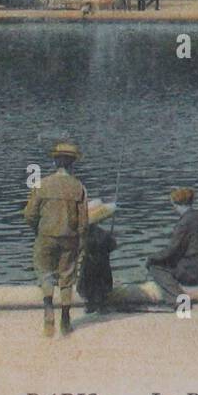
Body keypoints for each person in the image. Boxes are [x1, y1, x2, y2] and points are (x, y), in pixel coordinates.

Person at [23, 142, 89, 337]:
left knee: (45, 273)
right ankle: (66, 318)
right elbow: (84, 221)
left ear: (54, 162)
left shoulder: (41, 184)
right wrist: (81, 241)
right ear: (72, 164)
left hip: (46, 236)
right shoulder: (79, 187)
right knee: (67, 277)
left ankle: (48, 313)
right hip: (69, 238)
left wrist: (38, 230)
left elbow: (30, 214)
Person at [146, 188, 198, 307]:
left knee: (156, 267)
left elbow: (172, 250)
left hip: (196, 272)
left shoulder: (184, 223)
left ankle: (179, 300)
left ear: (176, 204)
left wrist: (152, 258)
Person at [77, 199, 119, 313]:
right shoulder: (104, 235)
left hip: (88, 267)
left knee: (88, 285)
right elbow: (113, 246)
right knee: (102, 285)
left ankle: (90, 304)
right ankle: (102, 303)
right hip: (103, 268)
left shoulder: (83, 236)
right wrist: (111, 237)